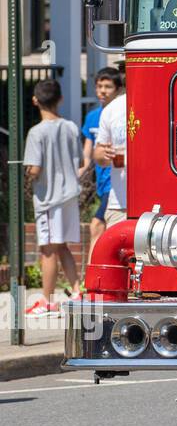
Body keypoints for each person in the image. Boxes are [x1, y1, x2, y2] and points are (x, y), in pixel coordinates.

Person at [22, 79, 82, 316]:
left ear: (35, 101)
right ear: (61, 99)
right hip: (69, 195)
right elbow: (78, 160)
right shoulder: (70, 127)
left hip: (49, 198)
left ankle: (46, 301)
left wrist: (27, 175)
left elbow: (35, 169)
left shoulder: (36, 132)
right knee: (62, 246)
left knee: (47, 249)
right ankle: (77, 291)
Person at [80, 66, 123, 273]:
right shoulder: (93, 117)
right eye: (99, 86)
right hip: (102, 180)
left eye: (107, 86)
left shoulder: (121, 111)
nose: (102, 91)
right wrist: (83, 167)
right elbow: (88, 151)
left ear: (118, 89)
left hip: (114, 183)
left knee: (97, 226)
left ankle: (92, 275)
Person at [94, 84, 129, 227]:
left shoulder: (161, 101)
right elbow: (98, 154)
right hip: (119, 202)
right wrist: (103, 154)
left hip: (157, 201)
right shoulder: (112, 109)